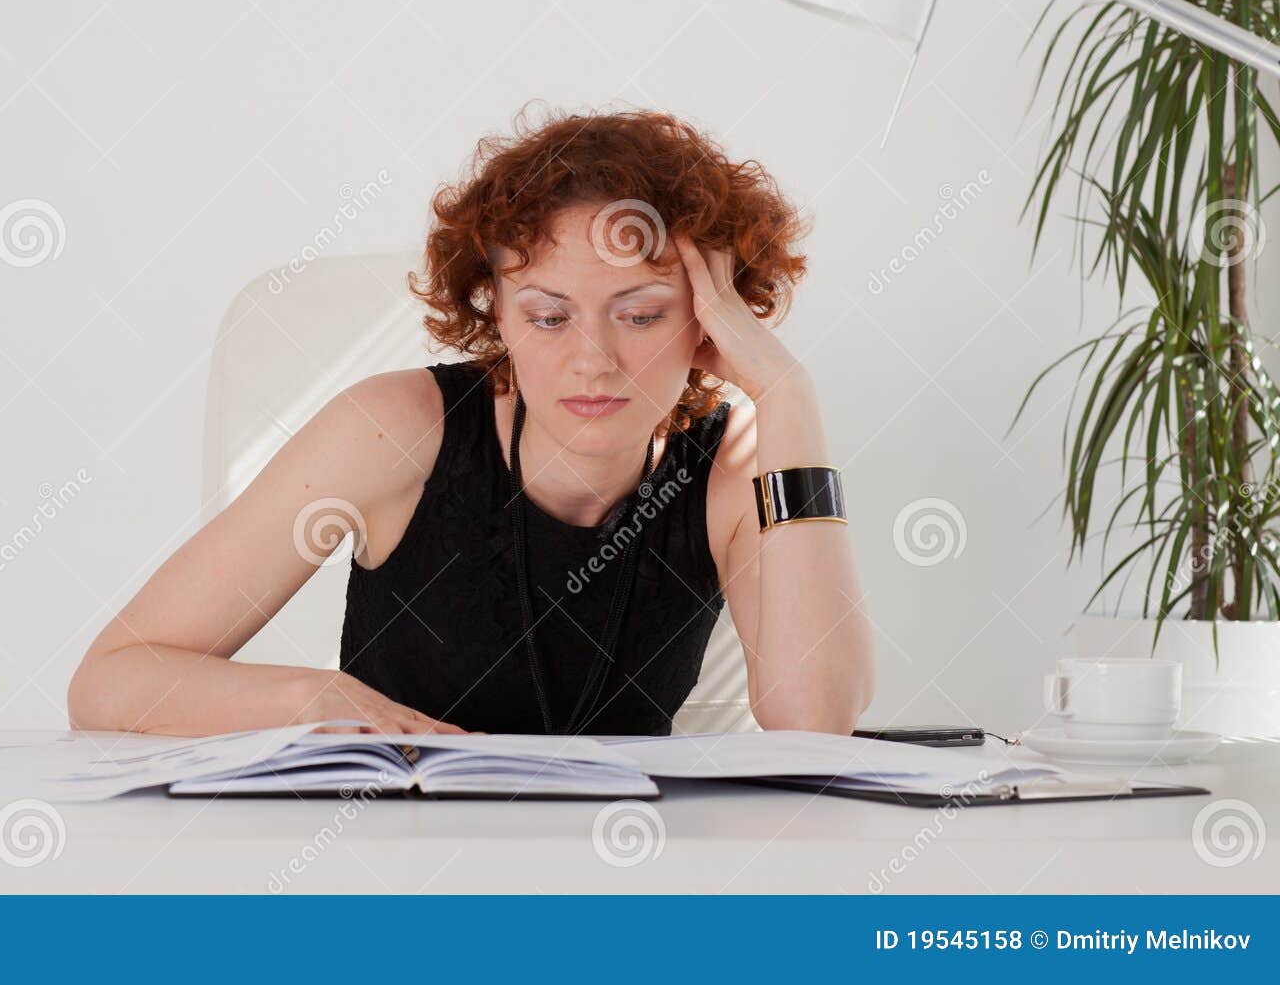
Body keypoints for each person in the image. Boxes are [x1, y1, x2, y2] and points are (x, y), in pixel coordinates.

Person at [68, 107, 875, 737]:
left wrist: (788, 395)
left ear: (710, 319)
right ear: (497, 314)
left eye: (640, 313)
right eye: (549, 316)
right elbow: (110, 680)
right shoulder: (394, 430)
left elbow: (815, 716)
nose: (593, 360)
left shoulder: (735, 465)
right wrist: (307, 693)